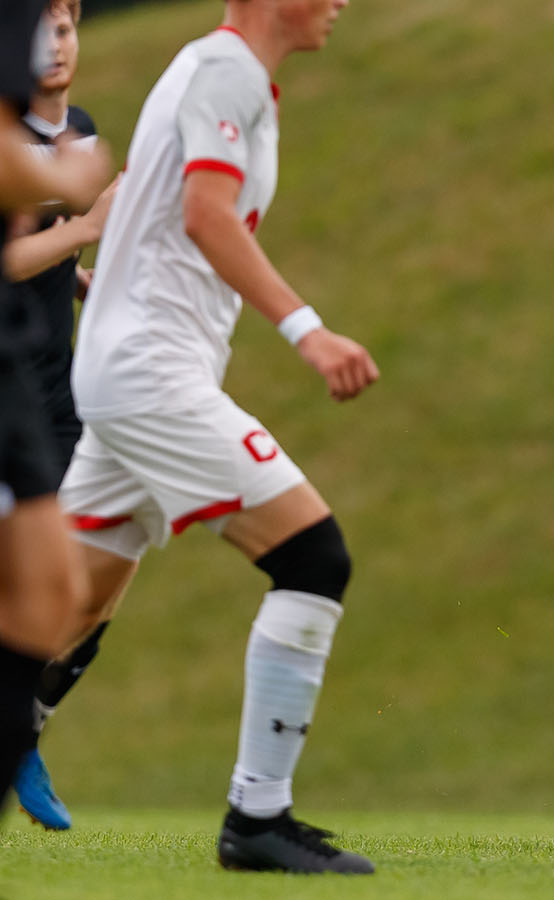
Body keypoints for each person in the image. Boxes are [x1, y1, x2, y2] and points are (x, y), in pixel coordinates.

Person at [55, 0, 379, 874]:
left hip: (133, 373)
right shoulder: (226, 69)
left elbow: (149, 216)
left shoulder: (219, 72)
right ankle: (256, 819)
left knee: (66, 612)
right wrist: (308, 330)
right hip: (151, 378)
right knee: (314, 558)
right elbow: (206, 213)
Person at [3, 0, 120, 832]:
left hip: (62, 385)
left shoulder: (76, 124)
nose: (58, 45)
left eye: (69, 27)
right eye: (40, 31)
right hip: (9, 386)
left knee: (79, 587)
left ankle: (23, 730)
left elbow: (47, 261)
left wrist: (86, 278)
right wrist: (83, 220)